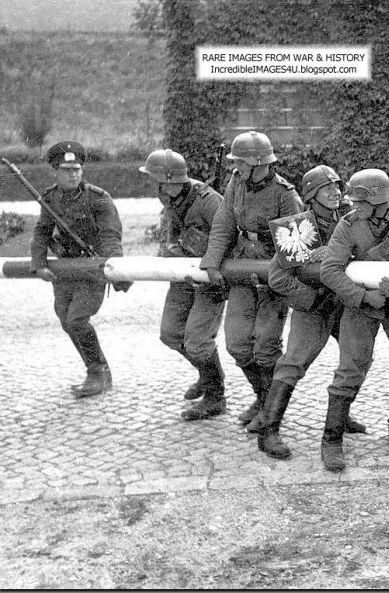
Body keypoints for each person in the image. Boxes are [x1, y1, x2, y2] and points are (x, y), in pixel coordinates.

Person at [318, 168, 389, 471]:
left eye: (361, 202)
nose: (353, 207)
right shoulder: (349, 224)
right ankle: (331, 438)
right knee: (351, 368)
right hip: (361, 303)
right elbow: (330, 270)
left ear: (381, 201)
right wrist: (365, 297)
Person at [256, 164, 363, 459]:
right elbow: (278, 278)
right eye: (326, 188)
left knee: (356, 360)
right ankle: (268, 430)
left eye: (337, 186)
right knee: (293, 363)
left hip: (344, 303)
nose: (335, 192)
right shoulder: (297, 226)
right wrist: (311, 299)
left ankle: (341, 416)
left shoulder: (351, 219)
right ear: (311, 195)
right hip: (314, 305)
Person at [199, 131, 302, 429]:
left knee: (266, 345)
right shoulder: (236, 183)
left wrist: (277, 277)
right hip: (242, 269)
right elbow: (223, 224)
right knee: (237, 343)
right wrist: (212, 263)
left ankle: (270, 411)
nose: (236, 167)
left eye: (240, 162)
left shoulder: (286, 195)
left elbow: (295, 248)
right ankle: (262, 398)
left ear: (258, 163)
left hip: (274, 276)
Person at [30, 141, 127, 398]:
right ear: (55, 171)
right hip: (65, 270)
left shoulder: (98, 198)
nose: (73, 174)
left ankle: (99, 372)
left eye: (77, 169)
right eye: (66, 169)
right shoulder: (50, 198)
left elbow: (110, 235)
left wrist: (115, 269)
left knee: (77, 319)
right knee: (65, 319)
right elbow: (41, 231)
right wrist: (38, 263)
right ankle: (94, 370)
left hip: (91, 269)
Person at [138, 149, 227, 420]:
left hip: (209, 279)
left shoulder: (209, 202)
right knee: (171, 334)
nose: (151, 185)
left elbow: (229, 238)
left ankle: (215, 396)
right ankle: (207, 372)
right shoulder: (169, 200)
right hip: (182, 275)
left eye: (154, 180)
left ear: (167, 180)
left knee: (198, 341)